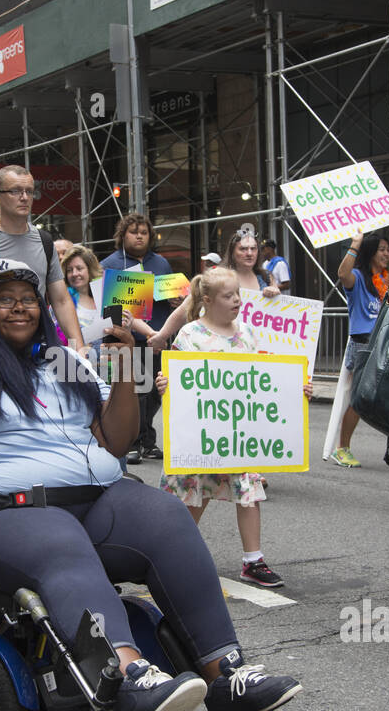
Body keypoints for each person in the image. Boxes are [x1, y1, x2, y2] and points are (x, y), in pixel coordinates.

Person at [0, 259, 301, 711]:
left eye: (27, 298)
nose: (18, 308)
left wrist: (125, 370)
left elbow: (116, 440)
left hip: (95, 495)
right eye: (3, 299)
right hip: (6, 512)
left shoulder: (67, 363)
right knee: (61, 540)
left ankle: (226, 675)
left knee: (166, 516)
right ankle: (129, 682)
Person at [154, 267, 315, 589]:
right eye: (229, 296)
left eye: (238, 294)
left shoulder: (247, 334)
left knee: (249, 493)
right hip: (202, 435)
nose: (237, 301)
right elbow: (180, 379)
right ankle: (176, 555)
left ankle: (253, 560)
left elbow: (260, 380)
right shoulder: (190, 335)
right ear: (208, 300)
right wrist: (166, 383)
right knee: (194, 494)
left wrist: (296, 390)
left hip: (239, 434)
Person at [0, 164, 83, 350]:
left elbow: (61, 300)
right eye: (15, 191)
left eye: (29, 191)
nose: (24, 197)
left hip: (36, 348)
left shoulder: (45, 242)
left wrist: (78, 347)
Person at [98, 214, 176, 464]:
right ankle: (132, 442)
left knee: (155, 392)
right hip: (127, 339)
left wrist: (178, 299)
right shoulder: (109, 264)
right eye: (133, 231)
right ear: (122, 235)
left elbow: (174, 299)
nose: (140, 235)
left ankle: (146, 439)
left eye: (144, 231)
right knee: (135, 391)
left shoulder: (162, 263)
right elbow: (106, 307)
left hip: (158, 338)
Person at [149, 230, 281, 351]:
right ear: (232, 252)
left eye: (253, 248)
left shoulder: (266, 277)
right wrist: (161, 336)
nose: (249, 253)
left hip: (259, 350)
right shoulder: (217, 277)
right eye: (243, 249)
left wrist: (276, 295)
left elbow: (280, 313)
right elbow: (185, 308)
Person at [331, 230, 389, 468]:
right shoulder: (357, 278)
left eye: (388, 249)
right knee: (359, 398)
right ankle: (342, 448)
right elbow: (342, 273)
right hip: (363, 343)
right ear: (371, 252)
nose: (386, 253)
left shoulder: (388, 281)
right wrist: (355, 244)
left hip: (386, 342)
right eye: (382, 249)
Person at [63, 245, 104, 351]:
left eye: (79, 268)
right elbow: (60, 341)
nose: (74, 274)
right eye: (69, 270)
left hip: (108, 363)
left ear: (90, 269)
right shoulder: (62, 302)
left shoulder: (103, 296)